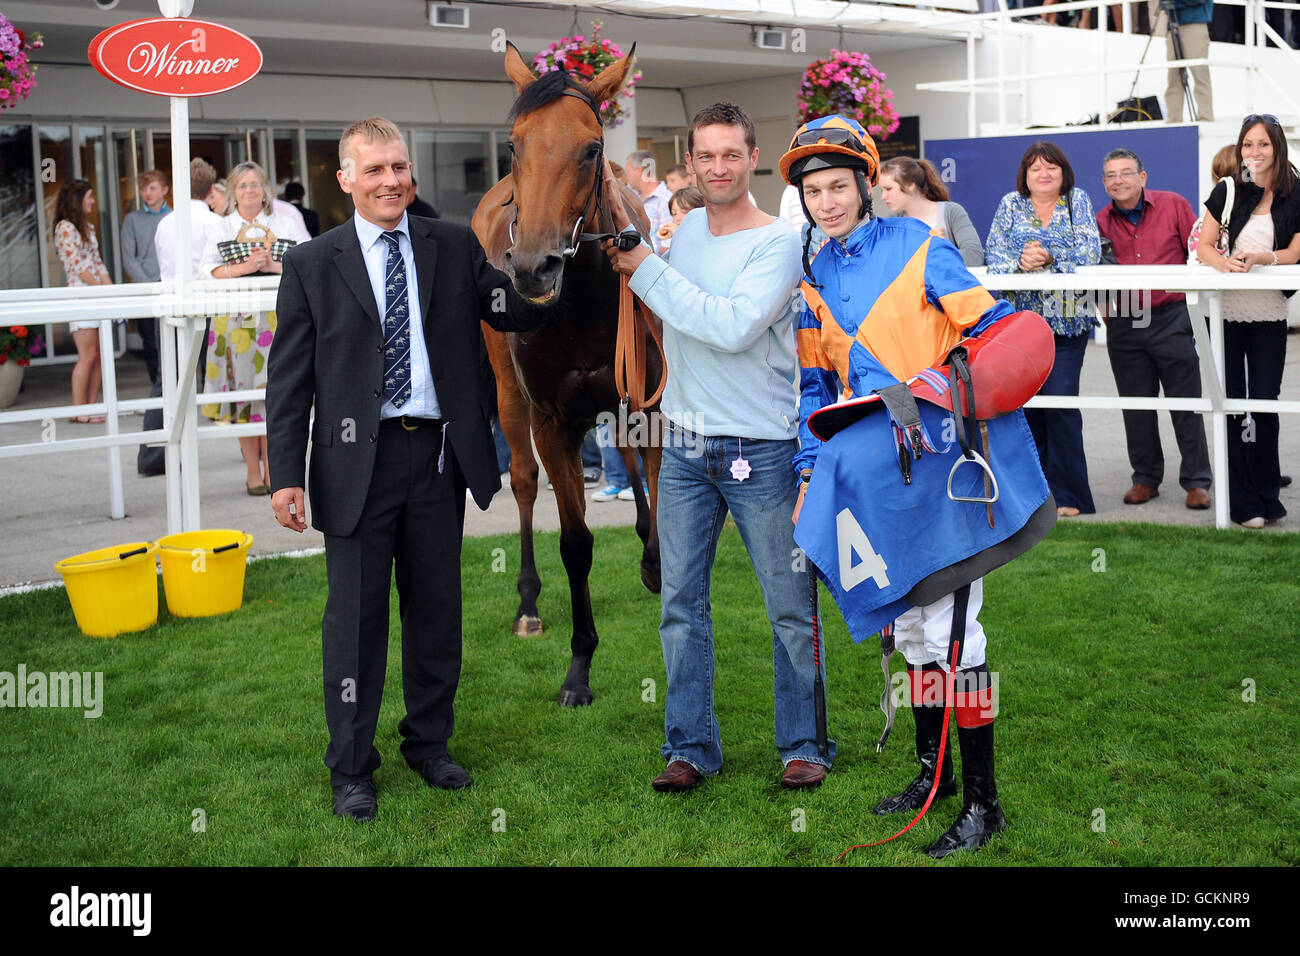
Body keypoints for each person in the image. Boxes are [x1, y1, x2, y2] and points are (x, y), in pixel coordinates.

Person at [267, 116, 544, 822]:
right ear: (346, 178)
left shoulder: (450, 245)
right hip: (353, 462)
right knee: (354, 622)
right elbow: (289, 381)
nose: (391, 180)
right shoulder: (311, 264)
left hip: (437, 456)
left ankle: (429, 744)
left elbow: (510, 310)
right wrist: (284, 474)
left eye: (400, 167)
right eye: (376, 169)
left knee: (436, 612)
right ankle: (352, 767)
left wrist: (550, 264)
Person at [781, 114, 1019, 858]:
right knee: (913, 629)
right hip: (876, 473)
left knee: (956, 636)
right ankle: (934, 774)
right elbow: (817, 389)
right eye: (813, 191)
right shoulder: (814, 282)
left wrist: (934, 390)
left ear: (866, 186)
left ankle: (984, 803)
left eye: (838, 187)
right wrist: (808, 472)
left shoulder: (920, 245)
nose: (826, 201)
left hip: (944, 463)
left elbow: (995, 329)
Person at [602, 103, 832, 793]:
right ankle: (690, 747)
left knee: (789, 605)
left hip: (762, 448)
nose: (719, 167)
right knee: (679, 605)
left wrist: (646, 268)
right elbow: (674, 311)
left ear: (751, 155)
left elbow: (730, 327)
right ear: (693, 161)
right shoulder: (685, 232)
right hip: (682, 448)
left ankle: (805, 744)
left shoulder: (780, 241)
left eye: (731, 154)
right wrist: (648, 259)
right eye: (706, 155)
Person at [986, 141, 1102, 516]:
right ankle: (1034, 498)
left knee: (1061, 406)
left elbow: (1089, 250)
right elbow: (994, 254)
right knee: (1027, 409)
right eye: (1035, 168)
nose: (1044, 173)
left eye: (1051, 167)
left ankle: (1070, 497)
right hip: (1021, 327)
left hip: (1069, 323)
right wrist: (1022, 261)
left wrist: (1050, 256)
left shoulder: (1077, 201)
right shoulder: (1010, 204)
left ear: (1063, 172)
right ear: (1025, 176)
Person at [1197, 113, 1300, 527]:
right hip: (1222, 311)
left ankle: (1266, 494)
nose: (1254, 153)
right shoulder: (1227, 189)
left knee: (1263, 405)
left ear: (1278, 147)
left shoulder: (1296, 192)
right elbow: (1204, 246)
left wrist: (1262, 258)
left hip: (1268, 312)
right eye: (1247, 145)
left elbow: (1295, 252)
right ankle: (1242, 502)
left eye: (1263, 144)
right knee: (1233, 406)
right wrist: (1225, 264)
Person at [1096, 148, 1212, 510]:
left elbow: (1196, 253)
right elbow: (1095, 269)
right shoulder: (1099, 220)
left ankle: (1197, 482)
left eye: (1126, 173)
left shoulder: (1174, 205)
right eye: (1111, 175)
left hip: (1171, 315)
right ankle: (1145, 478)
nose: (1119, 181)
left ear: (1142, 177)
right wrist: (1105, 311)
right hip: (1125, 320)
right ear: (1104, 183)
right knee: (1136, 405)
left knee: (1186, 402)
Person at [199, 161, 311, 495]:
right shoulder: (221, 227)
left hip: (280, 317)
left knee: (278, 394)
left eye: (255, 184)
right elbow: (206, 271)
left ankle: (278, 469)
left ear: (265, 189)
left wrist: (275, 265)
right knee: (245, 396)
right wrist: (244, 267)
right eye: (243, 185)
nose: (249, 191)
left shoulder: (286, 221)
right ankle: (253, 472)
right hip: (236, 320)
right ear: (233, 191)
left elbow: (311, 259)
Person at [155, 157, 224, 391]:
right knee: (213, 378)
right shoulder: (216, 223)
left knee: (167, 380)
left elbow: (163, 265)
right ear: (211, 189)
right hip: (208, 306)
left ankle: (156, 426)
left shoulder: (165, 223)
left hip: (170, 304)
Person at [53, 179, 111, 424]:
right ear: (77, 199)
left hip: (95, 294)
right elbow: (78, 266)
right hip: (80, 295)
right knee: (87, 354)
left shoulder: (88, 227)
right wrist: (101, 290)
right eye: (89, 196)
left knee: (98, 355)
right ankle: (78, 411)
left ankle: (90, 406)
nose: (93, 201)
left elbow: (97, 262)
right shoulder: (65, 227)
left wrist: (112, 292)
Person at [878, 156, 984, 266]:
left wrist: (931, 250)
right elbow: (885, 263)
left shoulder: (952, 211)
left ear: (910, 185)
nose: (883, 197)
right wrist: (927, 246)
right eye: (882, 190)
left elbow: (974, 257)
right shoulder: (892, 222)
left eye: (889, 189)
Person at [120, 169, 170, 386]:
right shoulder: (132, 220)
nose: (147, 193)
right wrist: (151, 285)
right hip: (146, 291)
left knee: (175, 341)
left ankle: (178, 389)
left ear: (165, 190)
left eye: (152, 188)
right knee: (151, 343)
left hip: (171, 289)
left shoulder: (175, 217)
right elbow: (129, 259)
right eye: (143, 189)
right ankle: (158, 390)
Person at [1149, 0, 1215, 122]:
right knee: (1173, 76)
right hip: (1173, 25)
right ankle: (1174, 119)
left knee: (1199, 73)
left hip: (1195, 23)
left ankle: (1205, 117)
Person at [625, 150, 673, 253]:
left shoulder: (665, 200)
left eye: (628, 171)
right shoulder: (633, 200)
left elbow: (668, 246)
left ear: (639, 170)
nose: (626, 177)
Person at [654, 185, 704, 252]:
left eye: (684, 212)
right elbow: (665, 260)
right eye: (674, 213)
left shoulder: (706, 237)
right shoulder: (671, 239)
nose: (677, 218)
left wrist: (679, 236)